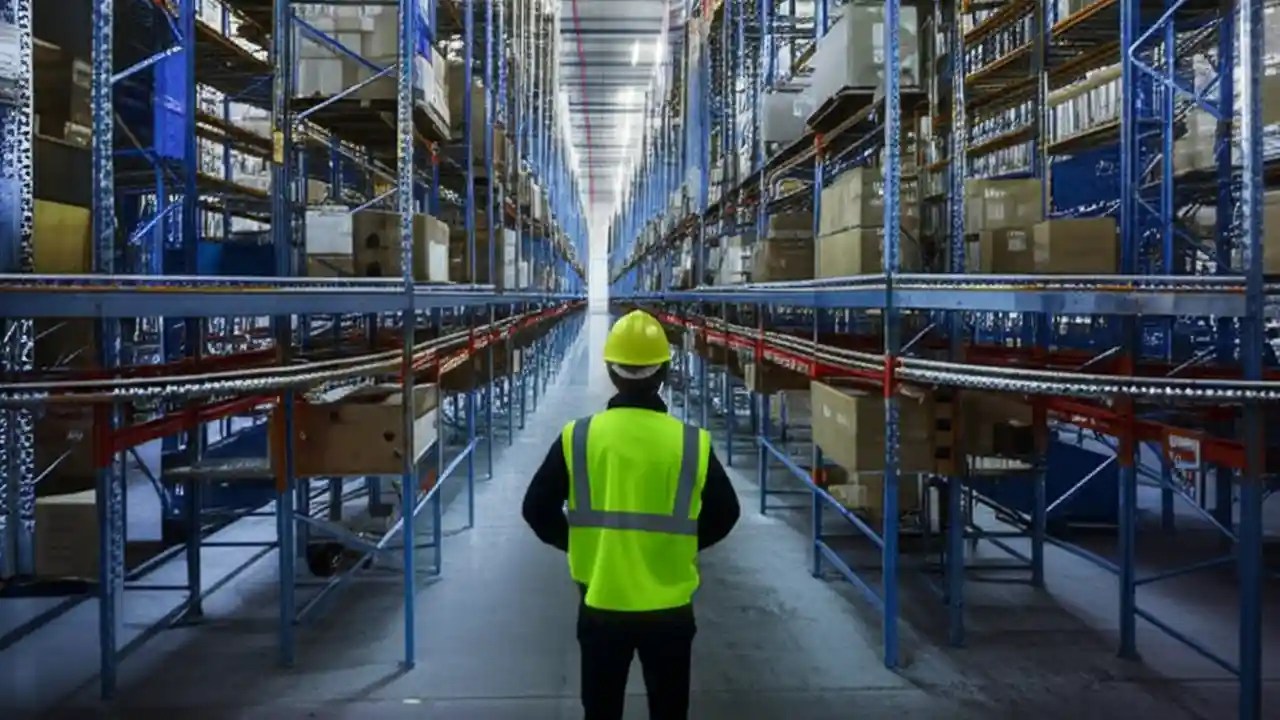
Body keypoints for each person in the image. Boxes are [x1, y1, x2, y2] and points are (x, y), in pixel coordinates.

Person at [522, 309, 741, 720]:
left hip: (602, 600)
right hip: (670, 607)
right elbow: (726, 512)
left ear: (610, 369)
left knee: (601, 711)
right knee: (669, 710)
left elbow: (536, 509)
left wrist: (584, 545)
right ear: (663, 372)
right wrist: (679, 547)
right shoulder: (690, 442)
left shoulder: (580, 436)